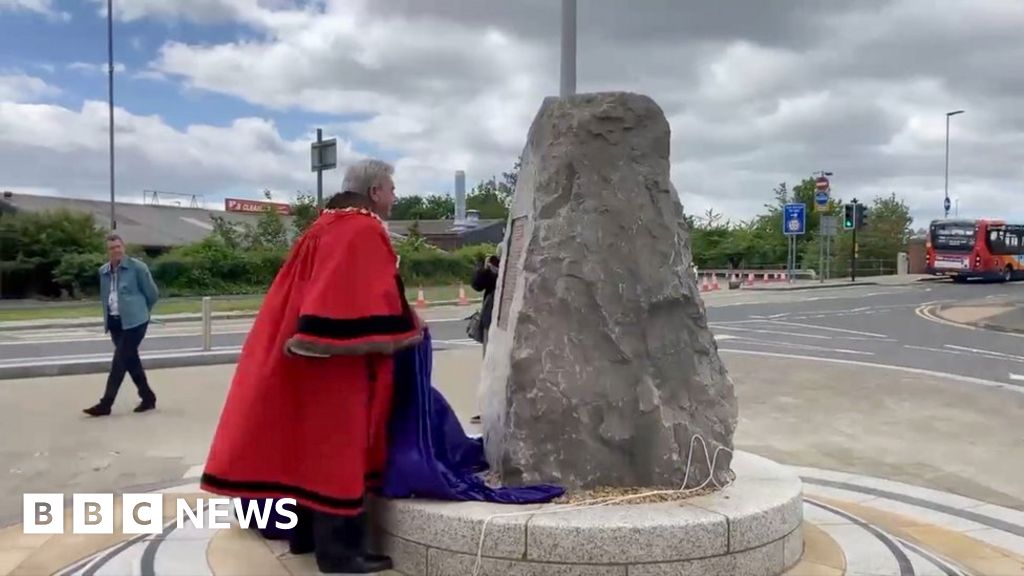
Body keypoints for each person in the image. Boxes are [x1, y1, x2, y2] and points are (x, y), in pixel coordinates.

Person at [199, 159, 423, 574]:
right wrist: (407, 328)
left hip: (300, 354)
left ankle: (304, 536)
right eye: (391, 189)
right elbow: (362, 296)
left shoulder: (324, 225)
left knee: (307, 448)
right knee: (338, 450)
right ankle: (340, 553)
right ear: (374, 191)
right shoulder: (362, 228)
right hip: (336, 362)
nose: (395, 197)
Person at [83, 234, 159, 417]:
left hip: (135, 322)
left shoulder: (137, 267)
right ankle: (148, 397)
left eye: (118, 246)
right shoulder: (103, 271)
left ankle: (105, 404)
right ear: (107, 251)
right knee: (130, 361)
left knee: (119, 362)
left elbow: (152, 294)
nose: (116, 250)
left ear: (123, 247)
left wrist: (141, 311)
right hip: (116, 322)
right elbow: (105, 296)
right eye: (112, 248)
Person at [468, 249, 500, 424]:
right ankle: (488, 409)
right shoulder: (494, 263)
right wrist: (487, 269)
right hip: (491, 320)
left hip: (511, 319)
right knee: (490, 367)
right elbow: (477, 284)